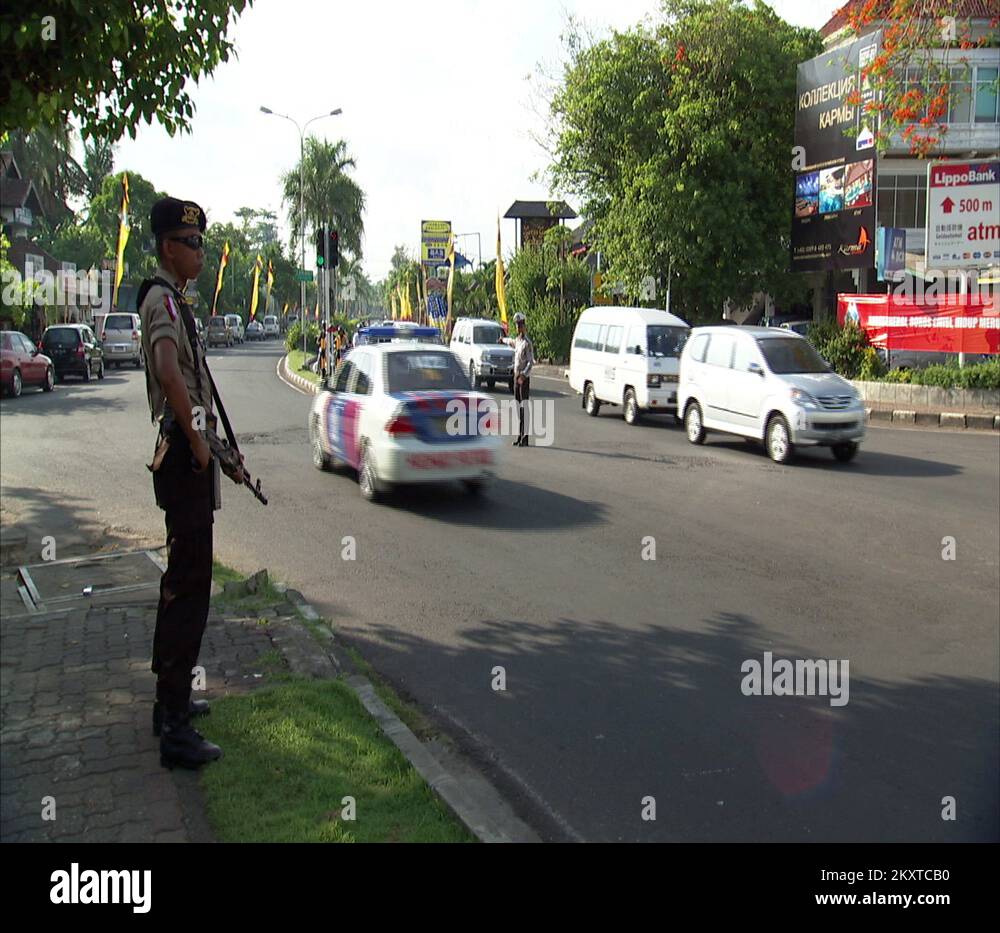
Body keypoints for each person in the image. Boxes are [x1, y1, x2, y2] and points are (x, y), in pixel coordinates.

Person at [140, 196, 243, 770]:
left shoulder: (175, 301)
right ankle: (175, 728)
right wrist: (202, 447)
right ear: (166, 248)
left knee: (182, 582)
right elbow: (167, 372)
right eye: (191, 242)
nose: (200, 251)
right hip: (182, 457)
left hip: (187, 453)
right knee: (190, 586)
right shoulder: (161, 302)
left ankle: (168, 703)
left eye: (202, 242)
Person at [511, 311, 534, 446]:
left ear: (525, 327)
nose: (519, 328)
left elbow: (531, 362)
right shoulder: (518, 341)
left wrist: (524, 375)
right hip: (516, 376)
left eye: (521, 325)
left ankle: (525, 438)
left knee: (523, 407)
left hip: (523, 378)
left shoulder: (527, 343)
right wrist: (502, 340)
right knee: (517, 407)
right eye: (517, 325)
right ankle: (519, 436)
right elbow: (511, 342)